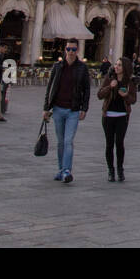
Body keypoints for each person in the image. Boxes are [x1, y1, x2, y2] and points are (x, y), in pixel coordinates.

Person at [43, 39, 91, 183]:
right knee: (60, 142)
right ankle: (60, 169)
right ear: (65, 50)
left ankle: (66, 171)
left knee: (68, 141)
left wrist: (84, 108)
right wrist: (46, 107)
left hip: (73, 110)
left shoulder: (82, 68)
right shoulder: (58, 66)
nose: (71, 52)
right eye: (68, 49)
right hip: (57, 108)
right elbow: (49, 88)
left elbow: (87, 90)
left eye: (73, 49)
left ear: (77, 51)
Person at [97, 57, 137, 181]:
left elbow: (133, 99)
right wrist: (110, 86)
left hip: (122, 116)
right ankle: (110, 170)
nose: (116, 67)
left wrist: (126, 96)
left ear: (125, 67)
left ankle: (120, 168)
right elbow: (99, 95)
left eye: (119, 65)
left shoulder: (129, 81)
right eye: (116, 64)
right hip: (108, 115)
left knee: (119, 143)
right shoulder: (109, 78)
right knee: (109, 144)